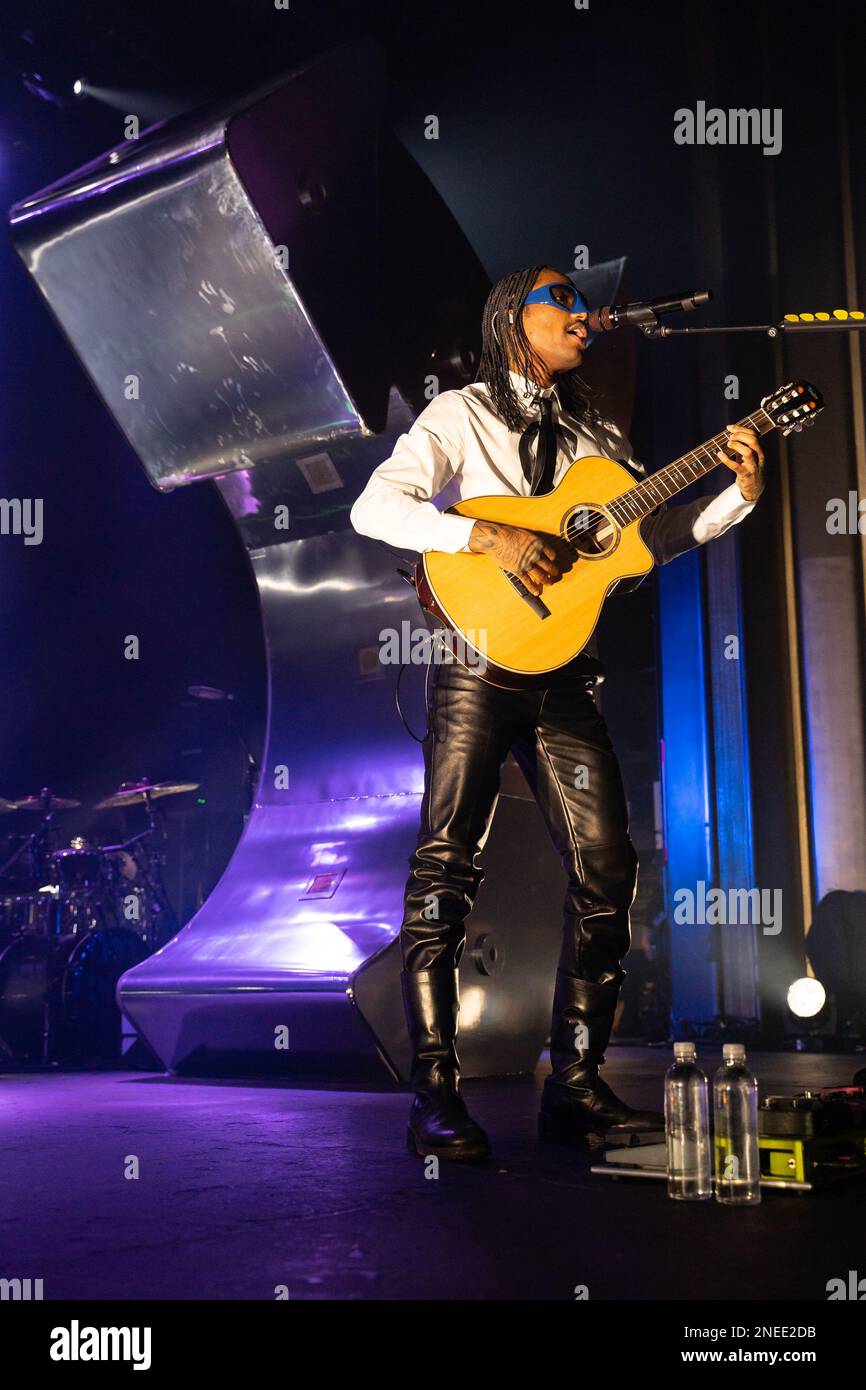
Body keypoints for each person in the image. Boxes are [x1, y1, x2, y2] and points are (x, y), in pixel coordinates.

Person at [350, 265, 765, 1161]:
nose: (581, 312)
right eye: (561, 299)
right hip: (476, 661)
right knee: (447, 868)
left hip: (565, 670)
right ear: (513, 319)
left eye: (583, 300)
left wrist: (736, 495)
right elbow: (376, 506)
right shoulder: (457, 414)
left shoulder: (593, 435)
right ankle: (435, 1096)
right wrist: (488, 532)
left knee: (609, 865)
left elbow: (640, 541)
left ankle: (573, 1086)